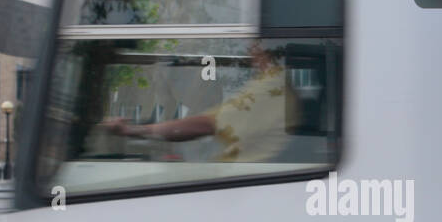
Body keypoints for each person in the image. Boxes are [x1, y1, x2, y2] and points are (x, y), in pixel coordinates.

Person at [102, 43, 297, 164]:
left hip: (236, 189)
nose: (251, 49)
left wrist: (132, 131)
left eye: (255, 44)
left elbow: (205, 125)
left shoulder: (272, 88)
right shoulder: (272, 84)